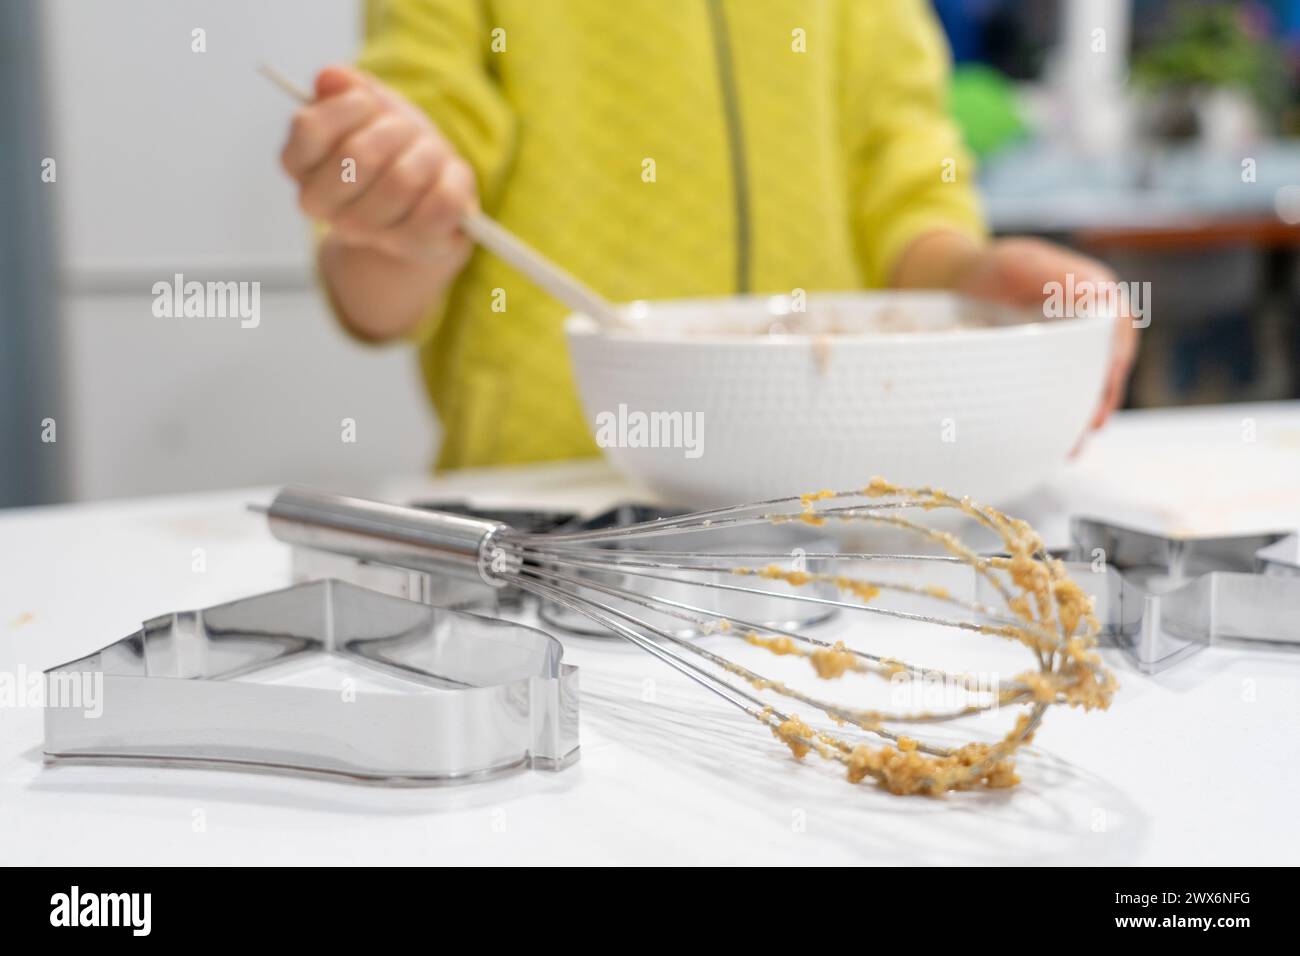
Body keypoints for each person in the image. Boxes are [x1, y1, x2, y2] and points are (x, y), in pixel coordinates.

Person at [279, 0, 1136, 469]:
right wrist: (397, 217)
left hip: (829, 504)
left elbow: (906, 195)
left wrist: (975, 276)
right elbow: (377, 289)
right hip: (550, 505)